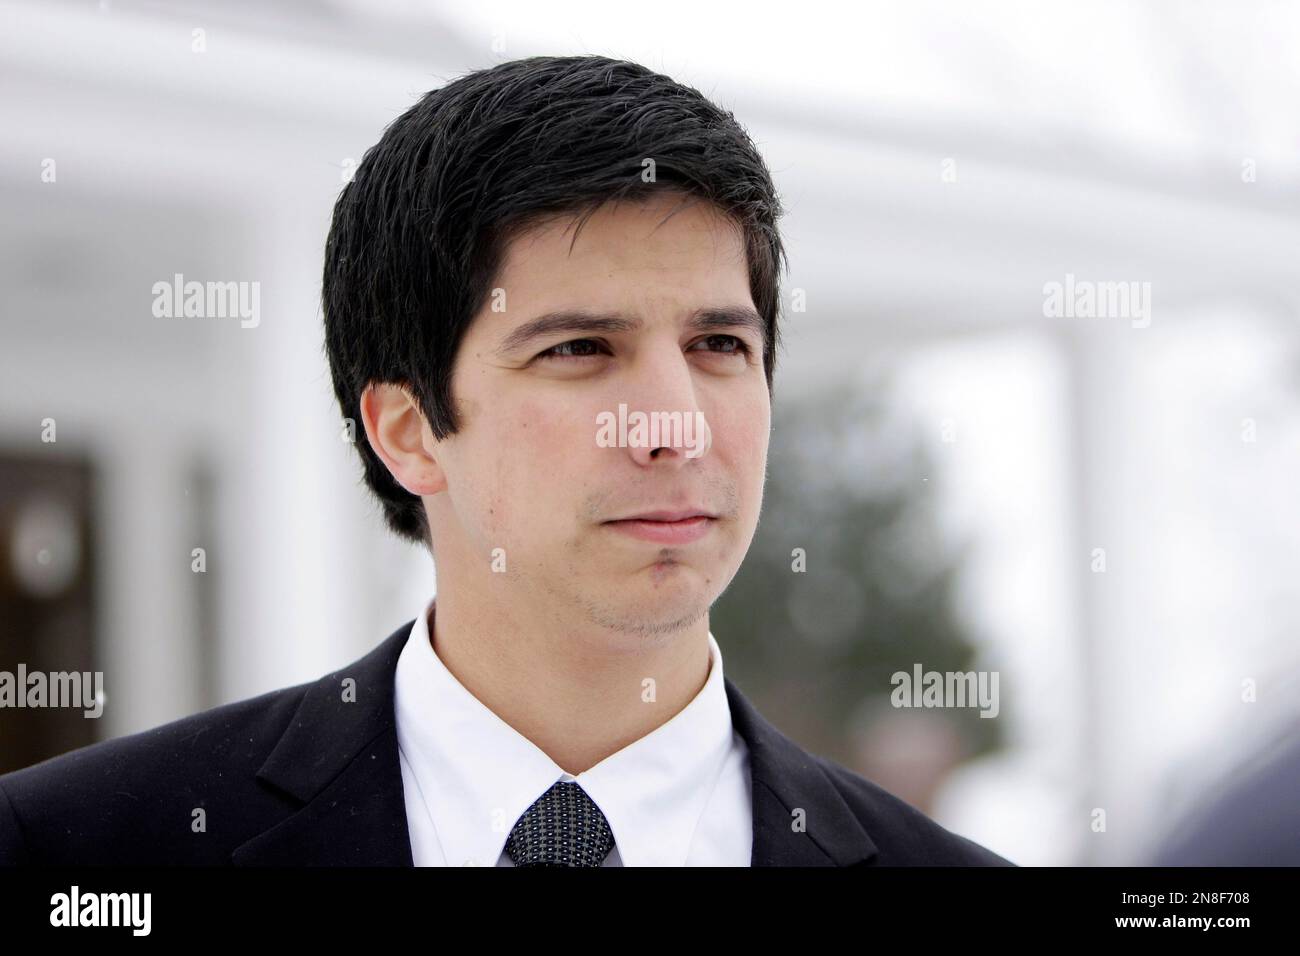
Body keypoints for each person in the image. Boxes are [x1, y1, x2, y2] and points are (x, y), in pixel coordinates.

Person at [0, 54, 1011, 867]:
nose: (675, 425)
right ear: (407, 429)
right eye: (579, 349)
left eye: (718, 346)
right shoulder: (73, 850)